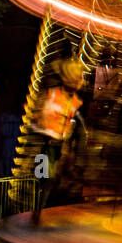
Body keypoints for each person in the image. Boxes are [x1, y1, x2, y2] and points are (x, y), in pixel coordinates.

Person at [29, 58, 85, 224]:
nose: (81, 81)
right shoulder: (51, 94)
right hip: (44, 145)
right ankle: (37, 213)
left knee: (55, 181)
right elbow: (36, 119)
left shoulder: (75, 101)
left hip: (59, 147)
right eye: (77, 78)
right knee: (45, 178)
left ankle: (45, 213)